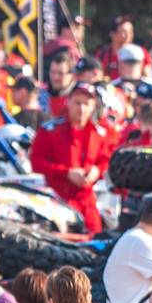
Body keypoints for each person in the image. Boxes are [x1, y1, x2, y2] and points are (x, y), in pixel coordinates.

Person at [28, 83, 118, 234]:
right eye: (77, 103)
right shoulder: (50, 130)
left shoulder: (100, 134)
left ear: (93, 106)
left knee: (93, 243)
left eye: (86, 104)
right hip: (56, 200)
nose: (81, 109)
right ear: (68, 102)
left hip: (87, 203)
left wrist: (97, 171)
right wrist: (66, 173)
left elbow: (107, 162)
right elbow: (36, 162)